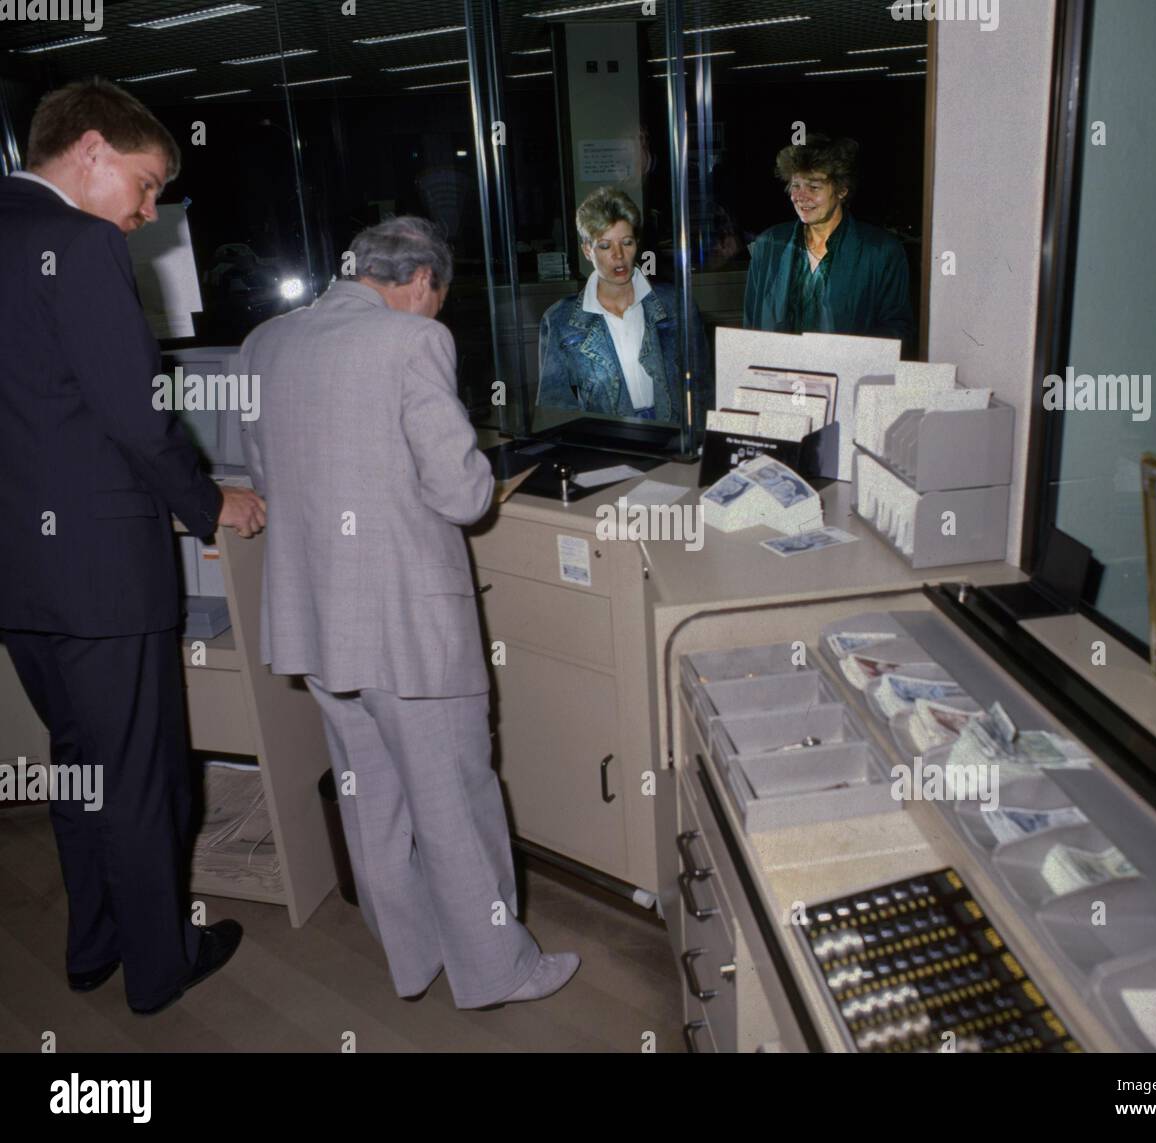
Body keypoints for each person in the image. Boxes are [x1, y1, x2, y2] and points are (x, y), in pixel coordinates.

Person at [237, 216, 579, 1008]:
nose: (435, 311)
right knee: (455, 802)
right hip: (409, 631)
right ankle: (500, 970)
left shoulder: (264, 345)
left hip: (320, 625)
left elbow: (270, 473)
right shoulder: (409, 342)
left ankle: (414, 959)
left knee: (373, 802)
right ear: (420, 281)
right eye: (438, 297)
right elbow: (461, 495)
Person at [0, 78, 265, 1015]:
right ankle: (160, 965)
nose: (147, 214)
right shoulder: (77, 242)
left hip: (21, 581)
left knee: (77, 761)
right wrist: (212, 504)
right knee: (144, 776)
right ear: (94, 151)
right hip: (101, 581)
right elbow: (137, 414)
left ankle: (93, 942)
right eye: (147, 187)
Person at [537, 186, 710, 424]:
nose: (619, 256)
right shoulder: (559, 320)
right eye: (606, 246)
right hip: (604, 441)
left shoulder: (676, 305)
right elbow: (554, 407)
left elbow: (701, 389)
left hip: (672, 435)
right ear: (588, 250)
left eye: (626, 242)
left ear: (637, 243)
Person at [743, 135, 915, 345]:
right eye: (796, 185)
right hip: (780, 374)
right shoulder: (768, 244)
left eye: (814, 187)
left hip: (848, 375)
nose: (801, 196)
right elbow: (751, 325)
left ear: (842, 190)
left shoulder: (881, 251)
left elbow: (898, 330)